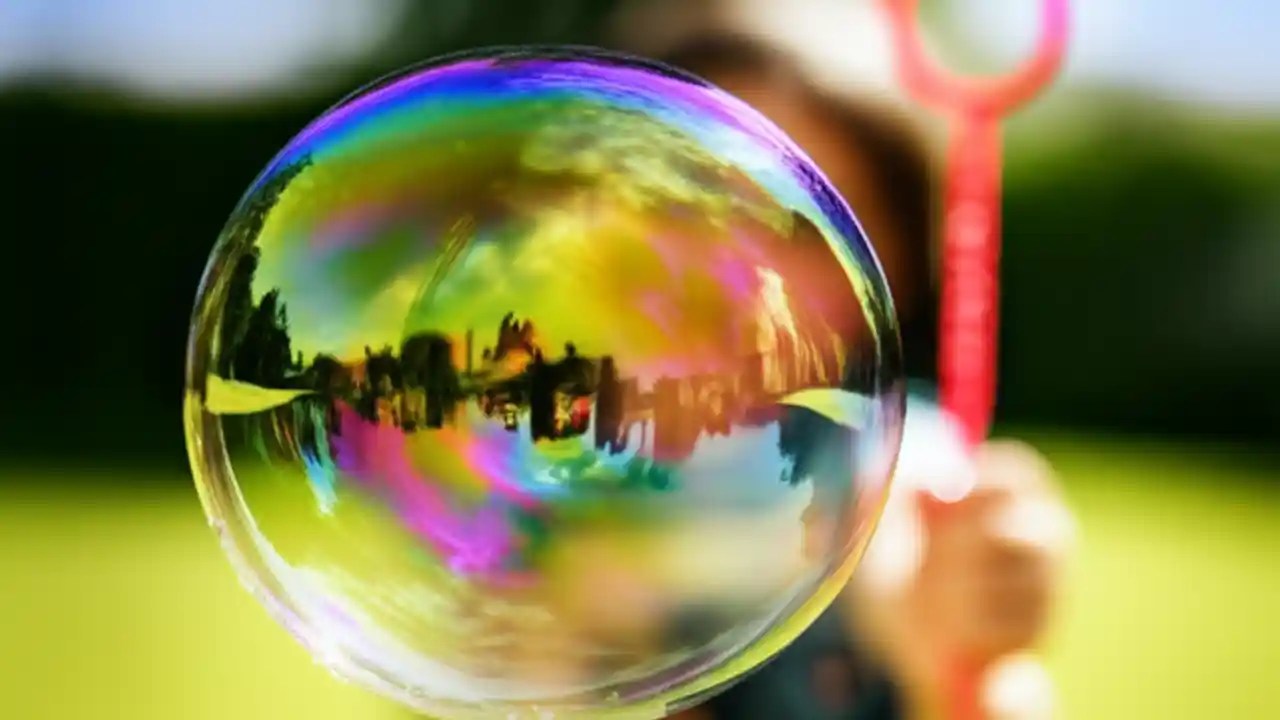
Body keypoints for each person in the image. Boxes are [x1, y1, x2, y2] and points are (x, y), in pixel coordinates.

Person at [606, 2, 1076, 718]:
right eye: (691, 202)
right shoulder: (566, 452)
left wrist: (953, 643)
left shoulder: (891, 465)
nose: (738, 265)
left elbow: (977, 675)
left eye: (797, 228)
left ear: (892, 269)